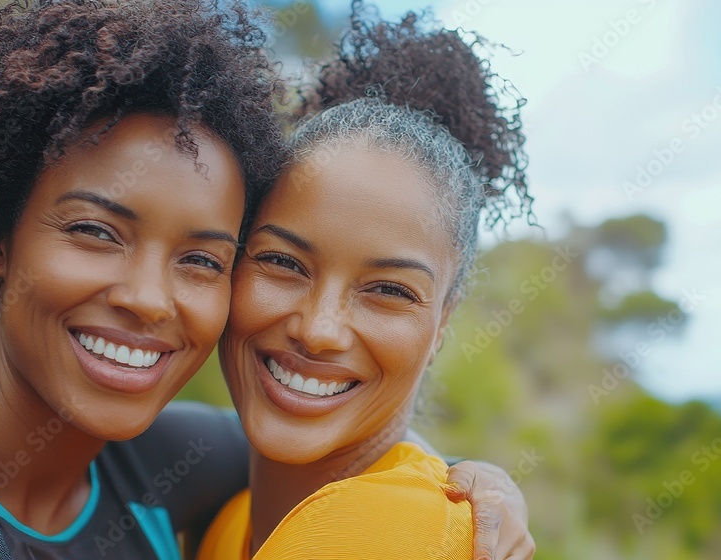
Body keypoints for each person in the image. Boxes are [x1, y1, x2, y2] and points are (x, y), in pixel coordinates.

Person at [0, 1, 530, 558]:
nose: (148, 299)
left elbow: (343, 442)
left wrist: (470, 485)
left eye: (202, 260)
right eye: (96, 232)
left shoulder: (158, 462)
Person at [198, 3, 535, 559]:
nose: (319, 330)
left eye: (390, 290)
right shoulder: (231, 520)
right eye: (283, 262)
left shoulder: (392, 531)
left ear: (443, 324)